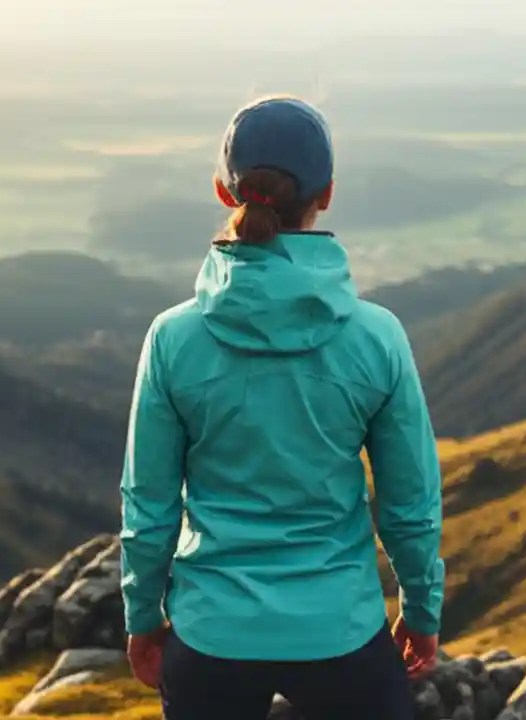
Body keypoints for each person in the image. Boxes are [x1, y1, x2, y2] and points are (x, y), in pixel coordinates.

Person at [119, 96, 445, 720]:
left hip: (212, 630)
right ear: (326, 193)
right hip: (341, 629)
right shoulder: (376, 337)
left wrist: (142, 617)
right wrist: (422, 609)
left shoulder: (173, 338)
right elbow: (409, 499)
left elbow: (148, 502)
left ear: (224, 190)